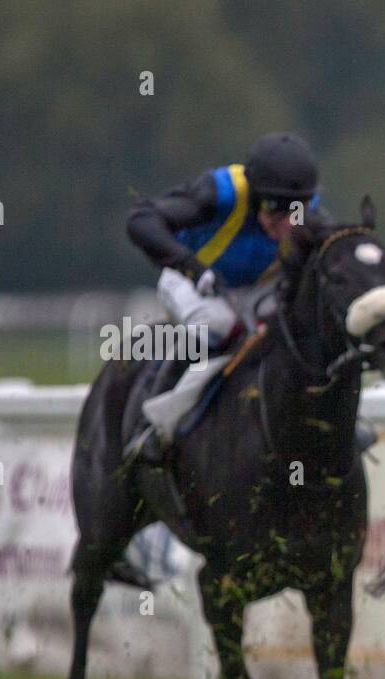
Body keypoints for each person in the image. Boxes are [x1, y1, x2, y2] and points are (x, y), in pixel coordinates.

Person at [123, 132, 321, 462]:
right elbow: (141, 220)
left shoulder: (303, 208)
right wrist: (191, 265)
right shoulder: (218, 192)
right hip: (191, 279)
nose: (287, 223)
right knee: (220, 323)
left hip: (253, 292)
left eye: (296, 211)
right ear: (256, 195)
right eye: (276, 210)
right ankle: (155, 422)